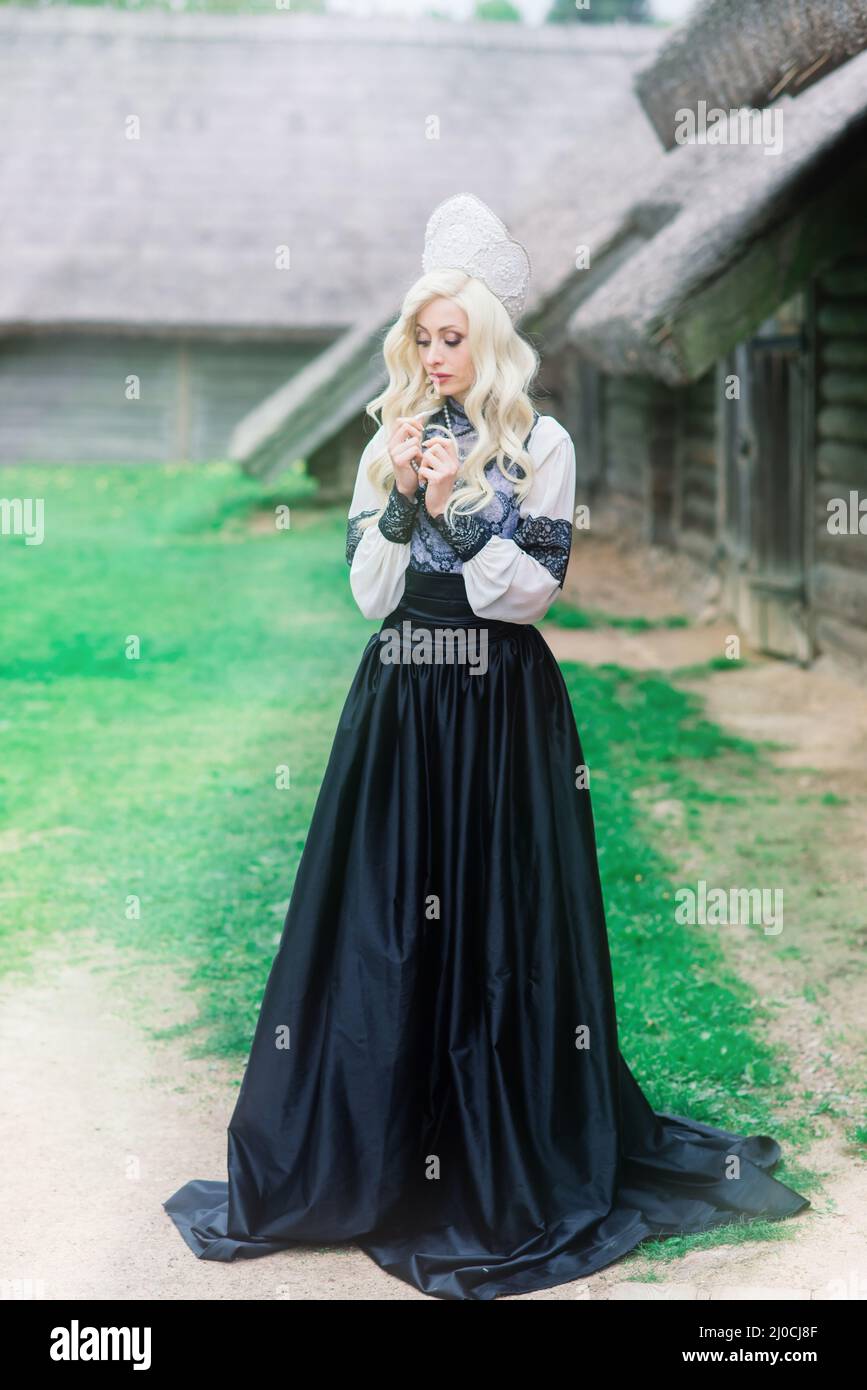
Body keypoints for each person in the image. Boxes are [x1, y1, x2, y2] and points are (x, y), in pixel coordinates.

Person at [163, 193, 810, 1301]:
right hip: (403, 705)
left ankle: (496, 1150)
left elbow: (531, 594)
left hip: (500, 705)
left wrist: (463, 505)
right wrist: (408, 496)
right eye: (421, 337)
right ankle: (376, 1149)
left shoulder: (539, 443)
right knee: (384, 920)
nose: (434, 354)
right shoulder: (391, 435)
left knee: (499, 924)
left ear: (489, 340)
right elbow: (372, 591)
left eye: (451, 336)